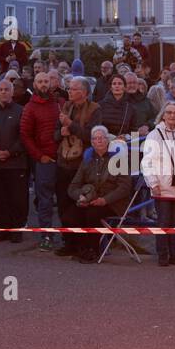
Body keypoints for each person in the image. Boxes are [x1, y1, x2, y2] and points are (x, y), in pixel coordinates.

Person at [64, 126, 132, 261]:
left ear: (107, 141)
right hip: (89, 200)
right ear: (91, 142)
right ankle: (82, 248)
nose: (98, 141)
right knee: (69, 216)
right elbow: (73, 186)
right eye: (94, 138)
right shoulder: (87, 160)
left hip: (113, 203)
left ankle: (94, 250)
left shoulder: (119, 160)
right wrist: (81, 197)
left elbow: (125, 187)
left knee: (92, 214)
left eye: (101, 138)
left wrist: (104, 200)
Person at [53, 77, 101, 257]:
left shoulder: (95, 109)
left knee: (80, 204)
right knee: (63, 204)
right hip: (63, 162)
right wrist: (61, 132)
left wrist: (70, 125)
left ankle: (83, 244)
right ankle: (68, 242)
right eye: (69, 89)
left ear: (84, 92)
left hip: (82, 165)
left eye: (73, 89)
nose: (70, 92)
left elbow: (91, 135)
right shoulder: (66, 107)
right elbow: (55, 135)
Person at [142, 101, 175, 267]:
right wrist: (153, 183)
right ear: (163, 114)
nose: (172, 116)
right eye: (169, 112)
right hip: (162, 186)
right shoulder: (154, 135)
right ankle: (163, 255)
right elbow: (147, 162)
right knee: (163, 222)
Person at [0, 78, 29, 240]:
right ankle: (2, 229)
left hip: (15, 164)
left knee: (17, 199)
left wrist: (10, 152)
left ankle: (16, 231)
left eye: (6, 89)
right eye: (0, 89)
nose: (3, 92)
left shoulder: (21, 110)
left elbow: (24, 136)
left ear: (12, 92)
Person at [20, 71, 60, 250]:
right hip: (44, 161)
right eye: (40, 81)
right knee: (45, 201)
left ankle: (69, 236)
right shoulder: (30, 107)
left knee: (65, 200)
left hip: (63, 159)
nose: (44, 84)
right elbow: (25, 135)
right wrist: (39, 156)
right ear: (35, 85)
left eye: (46, 81)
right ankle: (46, 236)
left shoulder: (59, 104)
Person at [97, 73, 136, 140]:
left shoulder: (130, 108)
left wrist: (126, 137)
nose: (117, 86)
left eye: (120, 84)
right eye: (114, 84)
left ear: (124, 87)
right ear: (111, 87)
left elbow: (135, 130)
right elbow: (96, 127)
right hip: (104, 143)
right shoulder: (100, 105)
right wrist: (111, 137)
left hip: (124, 145)